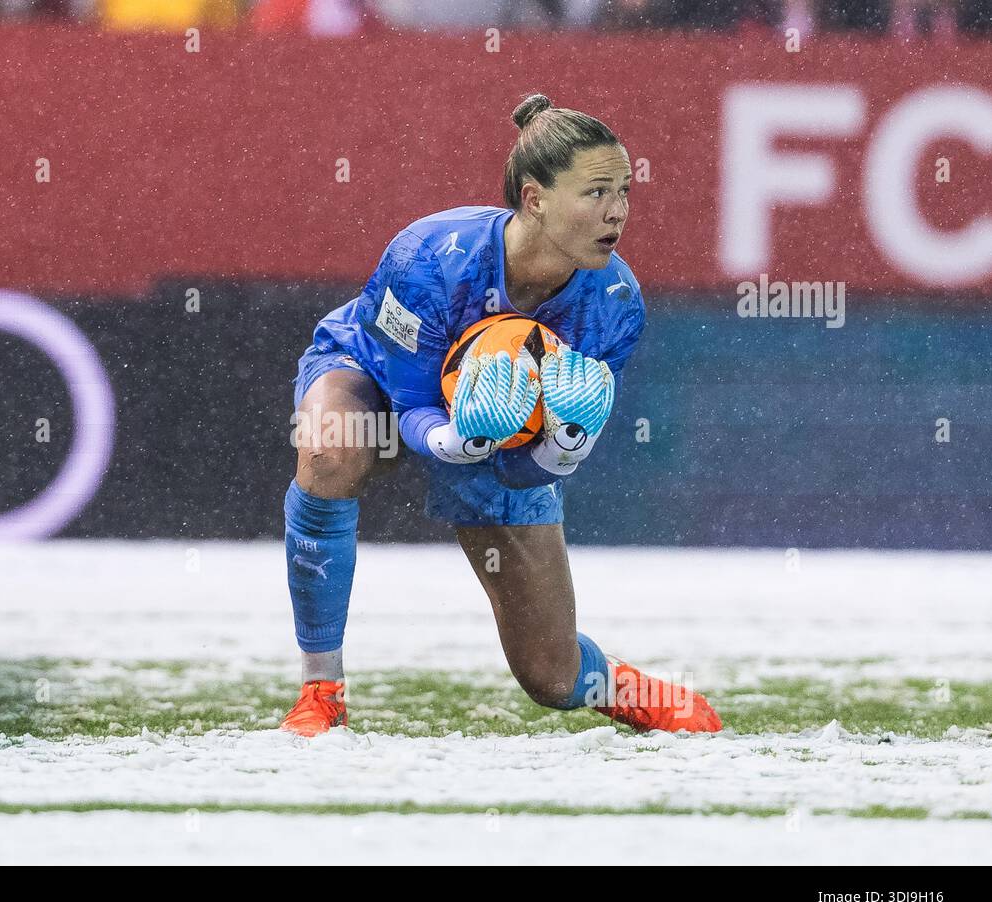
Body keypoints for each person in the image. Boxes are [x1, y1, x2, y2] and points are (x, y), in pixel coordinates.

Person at [280, 93, 722, 737]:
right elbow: (406, 403)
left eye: (624, 190)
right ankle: (320, 694)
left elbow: (522, 474)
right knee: (329, 447)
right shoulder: (430, 253)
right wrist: (456, 439)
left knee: (552, 678)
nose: (618, 211)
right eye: (596, 192)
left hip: (489, 439)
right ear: (535, 198)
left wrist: (560, 449)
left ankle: (637, 690)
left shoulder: (616, 306)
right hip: (383, 380)